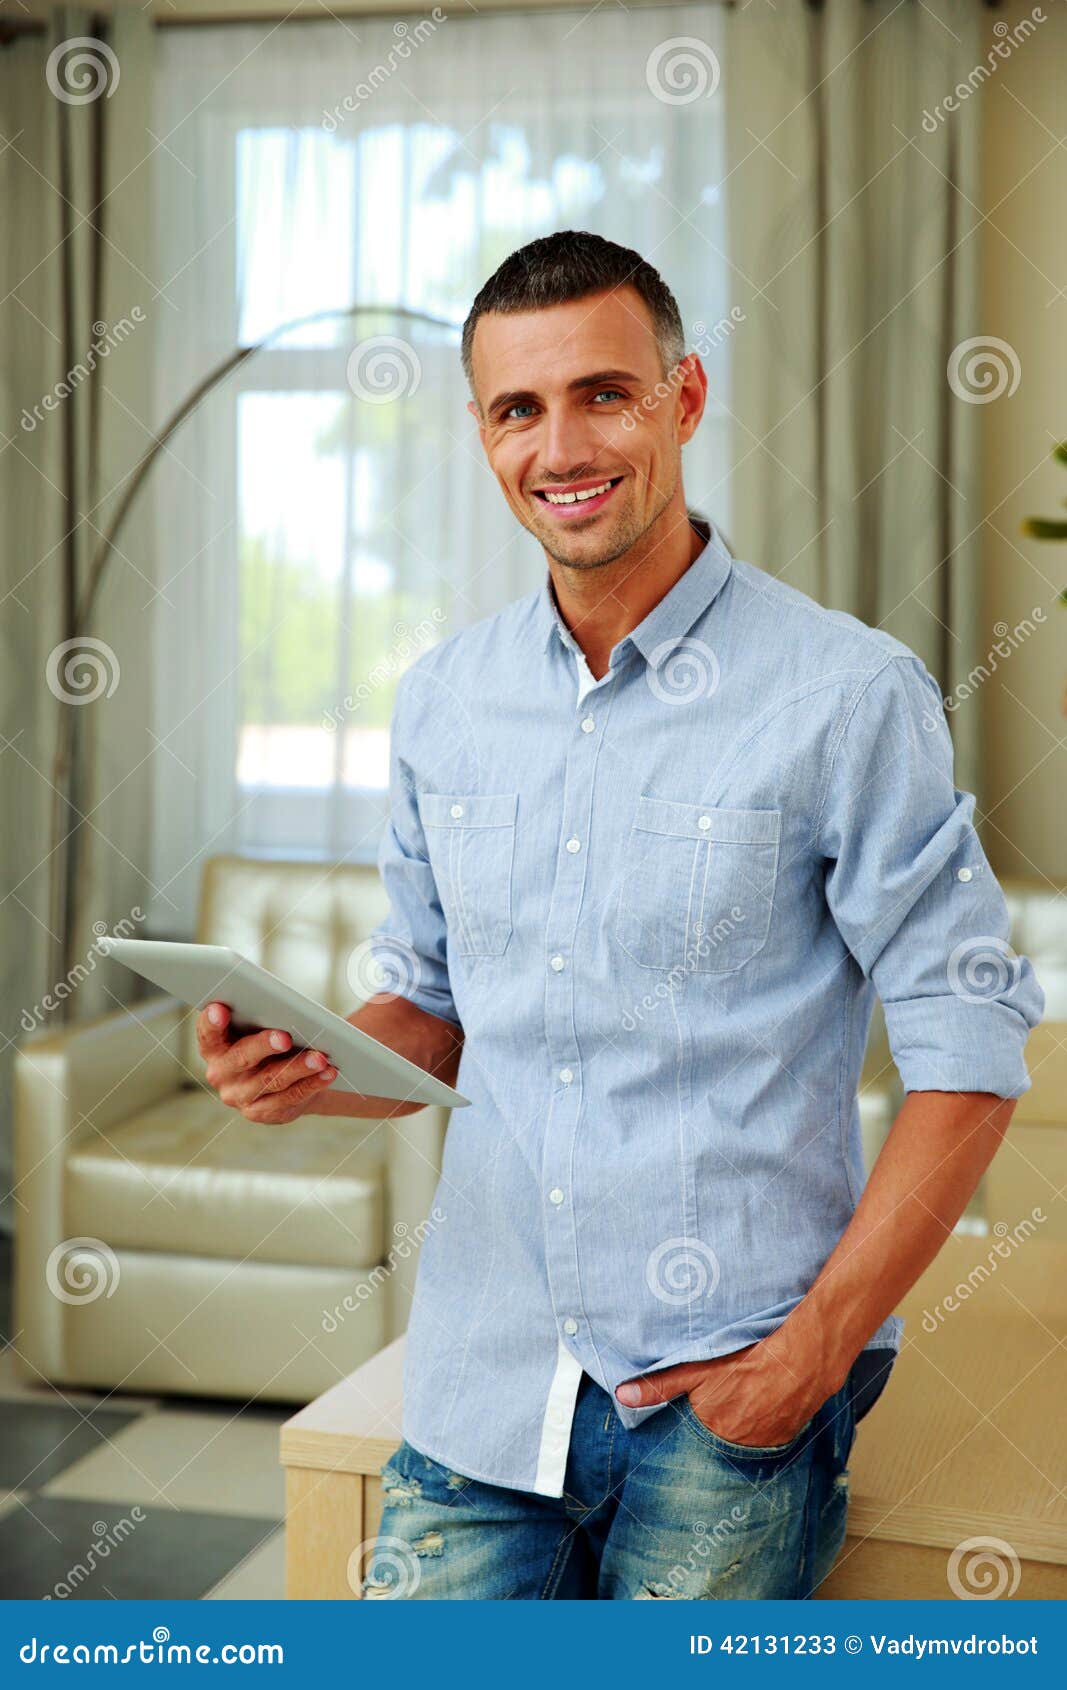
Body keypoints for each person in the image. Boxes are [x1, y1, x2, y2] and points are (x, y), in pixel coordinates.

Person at [197, 231, 1043, 1600]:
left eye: (604, 392)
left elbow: (974, 1043)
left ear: (684, 397)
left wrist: (812, 1356)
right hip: (483, 1389)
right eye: (518, 409)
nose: (562, 445)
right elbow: (436, 1018)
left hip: (728, 1407)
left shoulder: (844, 692)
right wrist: (304, 1069)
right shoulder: (443, 700)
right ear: (482, 434)